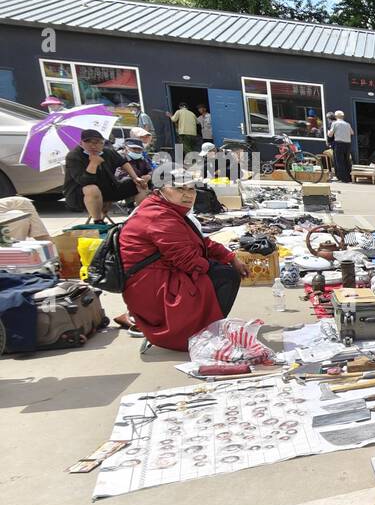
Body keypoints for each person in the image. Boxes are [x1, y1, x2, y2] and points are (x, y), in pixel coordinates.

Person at [118, 167, 249, 351]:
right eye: (179, 189)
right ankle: (201, 334)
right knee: (225, 276)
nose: (187, 195)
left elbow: (199, 242)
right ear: (160, 191)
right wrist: (218, 264)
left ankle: (207, 327)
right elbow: (188, 261)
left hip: (157, 275)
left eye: (191, 189)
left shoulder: (165, 209)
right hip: (151, 287)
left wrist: (230, 256)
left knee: (221, 268)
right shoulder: (159, 215)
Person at [62, 129, 148, 222]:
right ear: (81, 143)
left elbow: (123, 162)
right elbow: (84, 181)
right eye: (89, 142)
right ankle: (98, 221)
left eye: (98, 143)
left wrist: (135, 177)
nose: (93, 146)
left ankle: (141, 217)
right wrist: (93, 163)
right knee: (92, 188)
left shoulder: (107, 152)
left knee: (140, 184)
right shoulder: (73, 156)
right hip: (80, 194)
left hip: (107, 188)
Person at [327, 111, 354, 183]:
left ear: (336, 116)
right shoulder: (347, 124)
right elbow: (352, 132)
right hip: (347, 144)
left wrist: (328, 131)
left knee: (339, 161)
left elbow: (330, 135)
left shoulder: (335, 123)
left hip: (339, 143)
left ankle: (342, 178)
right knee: (347, 160)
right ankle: (349, 177)